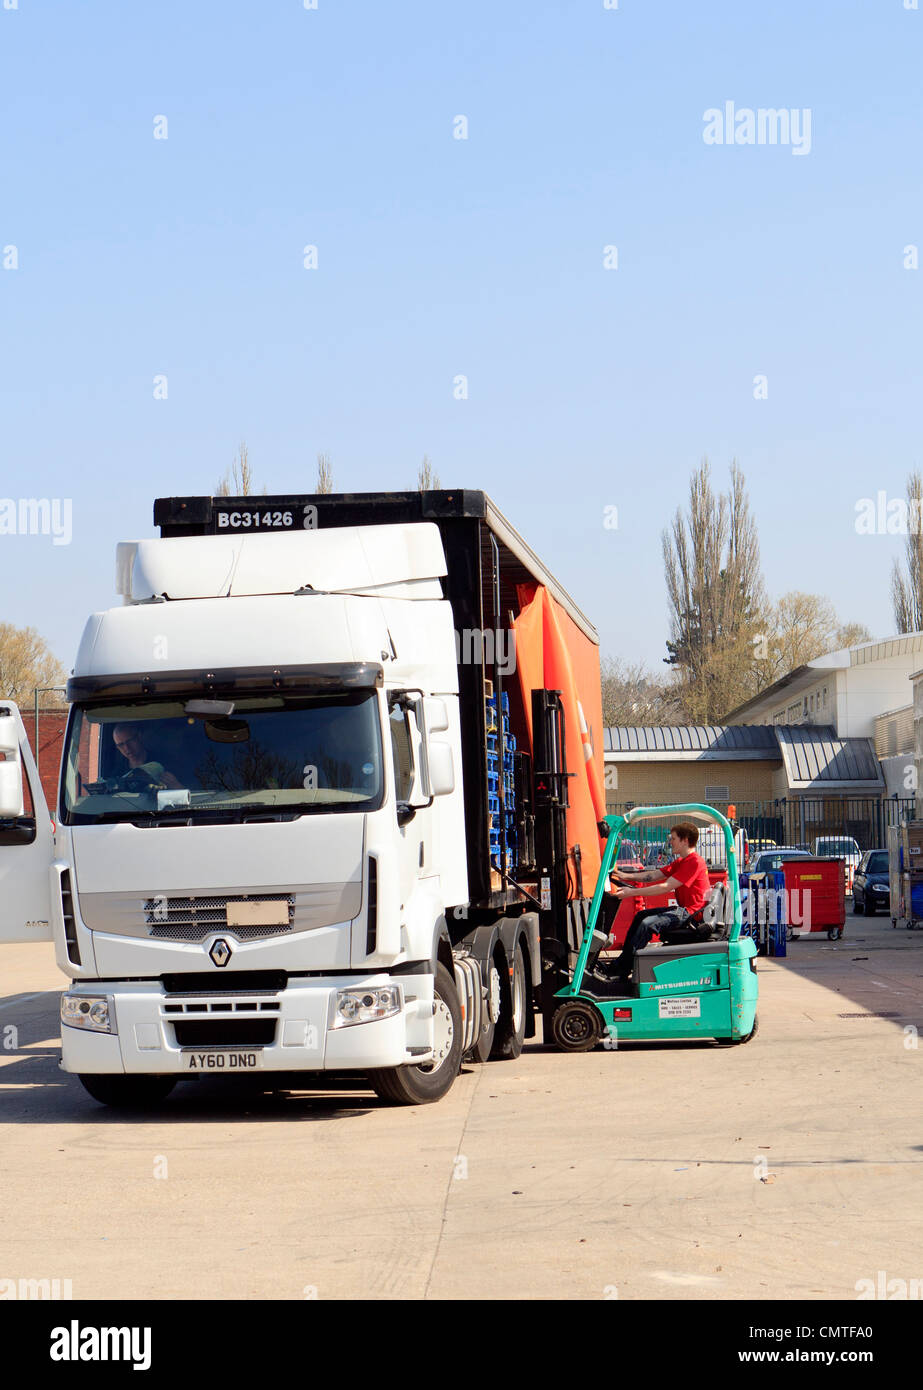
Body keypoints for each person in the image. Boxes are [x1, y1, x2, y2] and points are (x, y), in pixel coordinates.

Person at [598, 821, 712, 985]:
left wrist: (633, 893)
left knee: (647, 924)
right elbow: (653, 876)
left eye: (673, 838)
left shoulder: (695, 862)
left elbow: (665, 886)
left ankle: (622, 969)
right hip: (685, 910)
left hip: (691, 914)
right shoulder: (681, 861)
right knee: (640, 916)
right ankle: (620, 965)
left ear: (685, 840)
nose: (670, 842)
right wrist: (622, 875)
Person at [112, 723, 182, 790]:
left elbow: (188, 793)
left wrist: (176, 786)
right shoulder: (118, 773)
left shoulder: (165, 762)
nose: (127, 748)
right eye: (121, 745)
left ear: (139, 737)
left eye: (130, 741)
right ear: (117, 747)